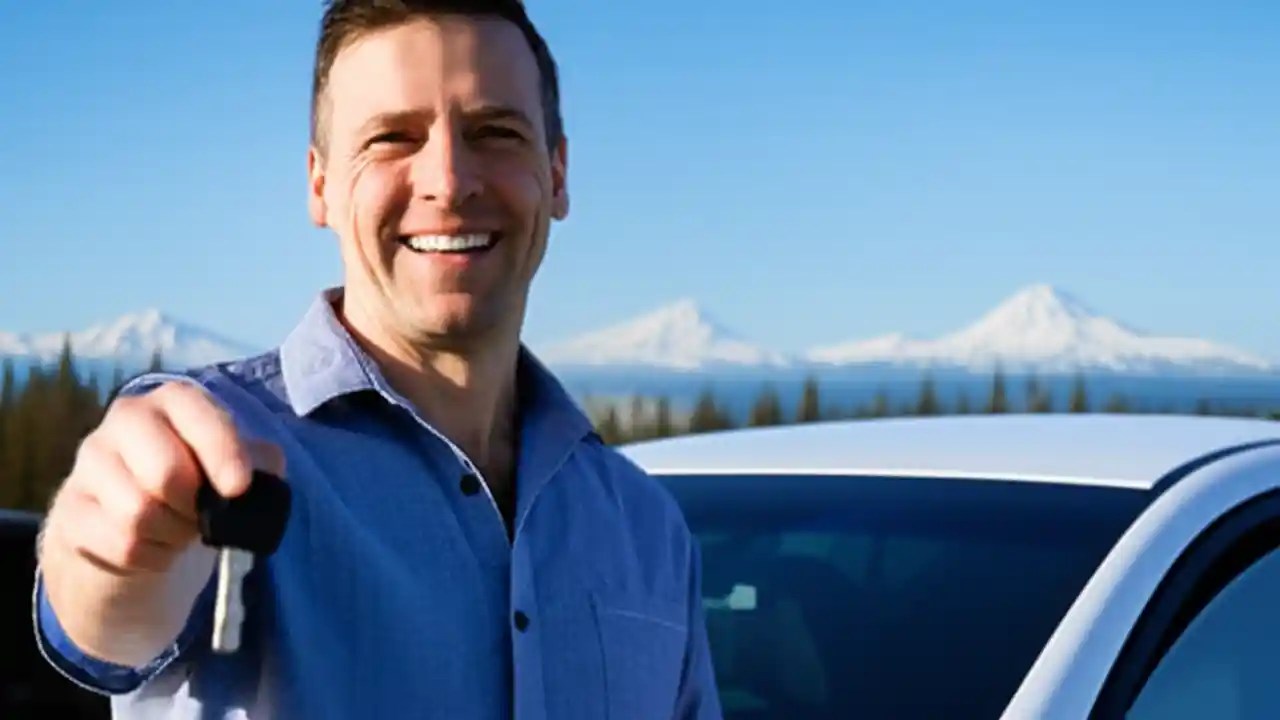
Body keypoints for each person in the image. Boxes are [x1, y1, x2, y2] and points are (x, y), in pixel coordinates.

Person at [30, 1, 724, 718]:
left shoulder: (646, 530)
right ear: (321, 185)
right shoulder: (217, 451)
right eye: (393, 138)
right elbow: (110, 618)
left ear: (558, 172)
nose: (449, 183)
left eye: (495, 132)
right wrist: (106, 559)